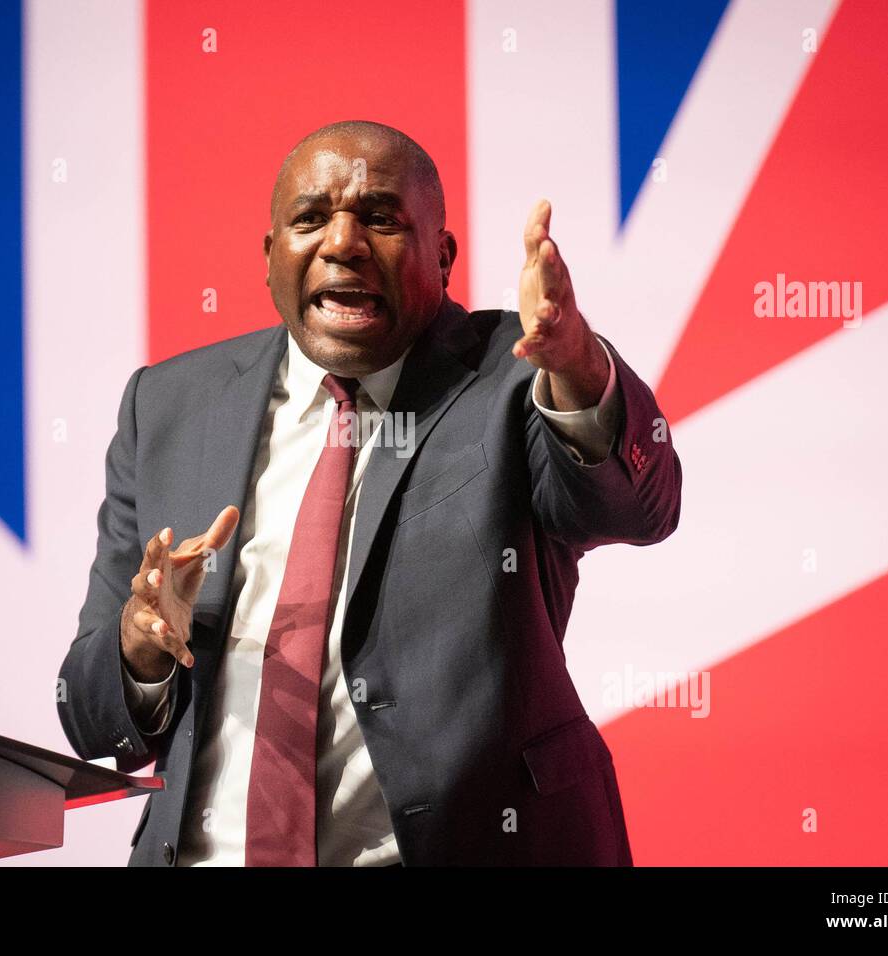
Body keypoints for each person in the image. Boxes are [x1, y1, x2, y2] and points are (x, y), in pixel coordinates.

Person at [57, 120, 682, 866]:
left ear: (443, 257)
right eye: (311, 218)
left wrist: (578, 363)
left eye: (380, 219)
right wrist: (141, 649)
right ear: (269, 257)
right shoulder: (166, 406)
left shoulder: (512, 379)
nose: (343, 243)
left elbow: (641, 508)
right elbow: (91, 722)